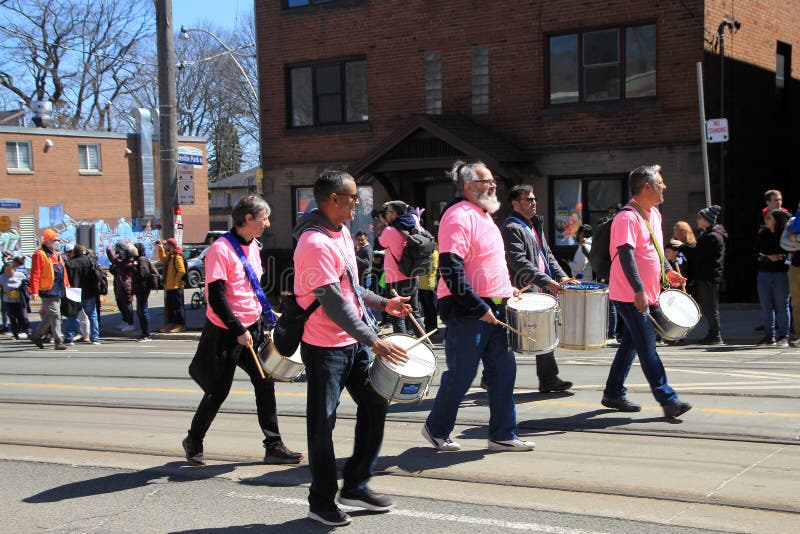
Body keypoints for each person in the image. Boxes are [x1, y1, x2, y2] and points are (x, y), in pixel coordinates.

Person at [293, 171, 411, 527]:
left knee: (375, 403)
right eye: (351, 197)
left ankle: (356, 484)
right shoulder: (313, 243)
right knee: (322, 424)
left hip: (353, 342)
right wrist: (374, 340)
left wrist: (381, 304)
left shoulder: (341, 232)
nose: (356, 202)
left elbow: (352, 291)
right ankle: (321, 500)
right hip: (325, 347)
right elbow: (333, 304)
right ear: (333, 200)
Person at [182, 195, 304, 469]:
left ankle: (273, 445)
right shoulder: (220, 250)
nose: (268, 224)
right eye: (264, 218)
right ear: (247, 219)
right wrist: (237, 329)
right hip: (226, 332)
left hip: (254, 327)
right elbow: (216, 297)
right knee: (218, 390)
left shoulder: (254, 247)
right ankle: (194, 440)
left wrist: (268, 313)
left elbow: (250, 289)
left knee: (265, 383)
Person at [423, 160, 535, 454]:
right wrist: (478, 306)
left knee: (503, 372)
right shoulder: (458, 216)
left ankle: (502, 434)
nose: (493, 185)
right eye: (487, 181)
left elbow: (486, 263)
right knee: (462, 373)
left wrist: (504, 290)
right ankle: (436, 428)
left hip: (494, 306)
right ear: (469, 186)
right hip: (468, 310)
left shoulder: (484, 216)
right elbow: (451, 268)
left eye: (493, 181)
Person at [601, 165, 692, 419]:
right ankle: (668, 398)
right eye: (660, 182)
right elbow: (626, 256)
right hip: (630, 295)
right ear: (646, 187)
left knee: (631, 343)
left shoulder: (653, 214)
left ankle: (613, 392)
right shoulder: (626, 218)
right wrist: (639, 290)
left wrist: (667, 272)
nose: (665, 187)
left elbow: (655, 250)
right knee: (647, 346)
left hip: (647, 292)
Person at [501, 184, 574, 393]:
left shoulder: (533, 225)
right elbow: (518, 261)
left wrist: (562, 277)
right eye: (528, 199)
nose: (534, 203)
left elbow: (547, 255)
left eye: (534, 199)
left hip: (537, 287)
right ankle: (492, 376)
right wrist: (545, 281)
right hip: (521, 290)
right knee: (509, 335)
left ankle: (548, 378)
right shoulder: (511, 227)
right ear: (515, 204)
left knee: (545, 333)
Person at [671, 205, 727, 345]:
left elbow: (698, 253)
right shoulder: (708, 234)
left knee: (710, 307)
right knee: (707, 306)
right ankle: (713, 334)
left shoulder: (712, 237)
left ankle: (716, 335)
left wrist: (682, 246)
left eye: (700, 218)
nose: (697, 220)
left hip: (708, 276)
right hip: (706, 275)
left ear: (707, 220)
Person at [378, 200, 425, 335]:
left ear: (393, 213)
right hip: (412, 275)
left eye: (387, 212)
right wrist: (399, 204)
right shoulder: (413, 226)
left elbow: (380, 243)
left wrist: (385, 224)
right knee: (414, 311)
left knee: (398, 314)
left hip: (395, 279)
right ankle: (425, 343)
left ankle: (403, 346)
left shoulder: (390, 230)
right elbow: (409, 210)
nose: (385, 215)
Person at [755, 209, 791, 347]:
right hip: (764, 272)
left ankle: (784, 336)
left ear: (776, 219)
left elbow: (790, 252)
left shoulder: (784, 234)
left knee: (782, 306)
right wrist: (766, 256)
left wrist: (780, 257)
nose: (766, 221)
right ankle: (769, 336)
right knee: (766, 306)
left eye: (769, 218)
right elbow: (756, 251)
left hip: (781, 273)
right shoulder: (763, 233)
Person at [29, 228, 70, 350]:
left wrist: (67, 284)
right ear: (47, 241)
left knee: (50, 316)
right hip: (47, 289)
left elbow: (63, 271)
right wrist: (34, 291)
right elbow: (35, 274)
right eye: (54, 240)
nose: (57, 242)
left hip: (58, 289)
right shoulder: (39, 254)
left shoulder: (57, 254)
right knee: (56, 315)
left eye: (58, 240)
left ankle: (36, 336)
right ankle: (58, 341)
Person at [62, 244, 100, 345]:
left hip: (74, 292)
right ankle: (95, 337)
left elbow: (66, 279)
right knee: (92, 315)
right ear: (83, 252)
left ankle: (69, 337)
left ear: (74, 252)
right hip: (89, 291)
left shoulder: (69, 263)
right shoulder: (90, 261)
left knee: (73, 315)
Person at [155, 237, 187, 333]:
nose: (165, 246)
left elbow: (181, 271)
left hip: (176, 287)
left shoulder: (177, 256)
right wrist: (160, 248)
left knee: (177, 308)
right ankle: (171, 324)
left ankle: (180, 325)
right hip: (170, 287)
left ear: (171, 245)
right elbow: (163, 258)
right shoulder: (170, 255)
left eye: (166, 244)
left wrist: (175, 281)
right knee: (171, 308)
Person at [106, 242, 136, 332]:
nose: (120, 254)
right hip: (120, 286)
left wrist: (109, 251)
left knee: (127, 305)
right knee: (121, 304)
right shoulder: (122, 261)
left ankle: (130, 324)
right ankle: (125, 321)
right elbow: (114, 265)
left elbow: (115, 261)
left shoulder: (128, 263)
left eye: (122, 253)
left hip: (126, 286)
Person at [0, 261, 30, 339]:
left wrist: (25, 287)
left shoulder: (20, 275)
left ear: (14, 269)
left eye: (10, 270)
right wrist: (3, 291)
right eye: (6, 270)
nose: (8, 272)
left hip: (20, 299)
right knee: (12, 317)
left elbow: (27, 284)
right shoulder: (2, 277)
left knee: (23, 316)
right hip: (8, 300)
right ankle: (15, 333)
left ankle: (27, 330)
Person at [132, 243, 153, 342]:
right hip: (140, 289)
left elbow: (143, 274)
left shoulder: (142, 260)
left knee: (143, 311)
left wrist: (134, 267)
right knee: (140, 311)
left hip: (143, 289)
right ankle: (144, 332)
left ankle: (147, 334)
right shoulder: (139, 260)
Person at [418, 241, 439, 334]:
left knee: (429, 306)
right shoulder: (428, 254)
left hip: (428, 284)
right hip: (422, 284)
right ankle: (429, 325)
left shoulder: (434, 254)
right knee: (425, 306)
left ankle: (434, 327)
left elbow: (431, 268)